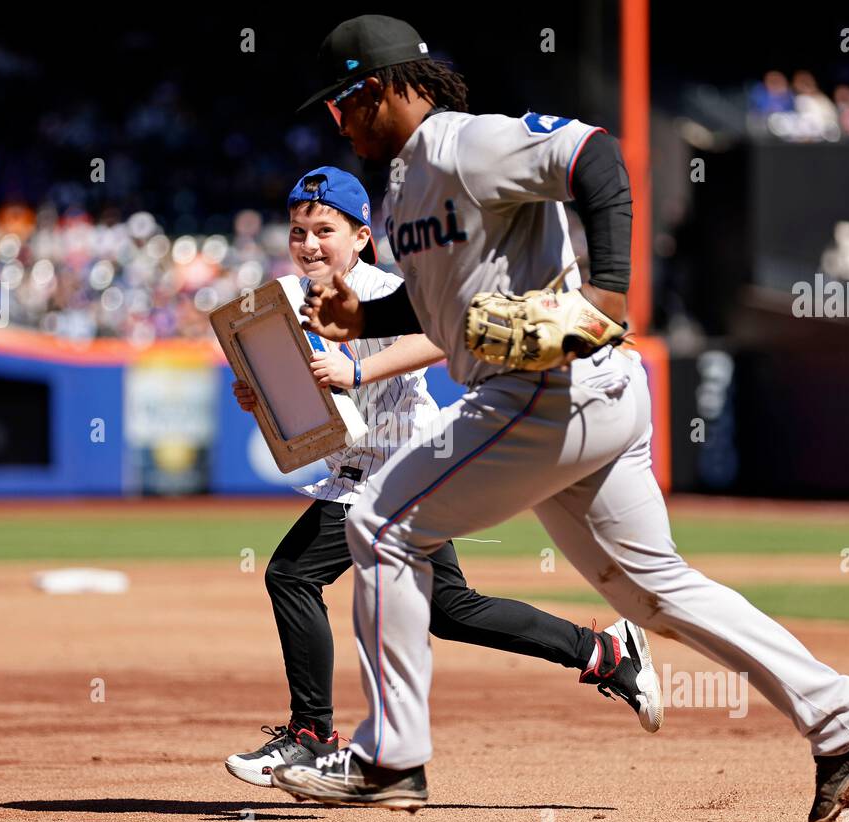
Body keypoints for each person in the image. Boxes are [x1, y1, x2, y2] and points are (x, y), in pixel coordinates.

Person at [278, 15, 849, 822]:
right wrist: (362, 313)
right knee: (654, 592)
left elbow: (594, 156)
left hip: (545, 387)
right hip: (583, 398)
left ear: (388, 85)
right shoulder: (404, 186)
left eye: (344, 101)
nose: (340, 119)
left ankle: (393, 755)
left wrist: (607, 291)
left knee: (382, 524)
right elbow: (433, 300)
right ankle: (841, 713)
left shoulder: (465, 143)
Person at [223, 165, 663, 789]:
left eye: (325, 229)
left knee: (291, 574)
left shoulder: (384, 289)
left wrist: (357, 373)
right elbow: (308, 391)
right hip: (362, 472)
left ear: (361, 235)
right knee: (450, 610)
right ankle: (603, 653)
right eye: (299, 230)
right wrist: (263, 394)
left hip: (401, 466)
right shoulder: (288, 297)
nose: (309, 243)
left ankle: (312, 737)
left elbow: (444, 334)